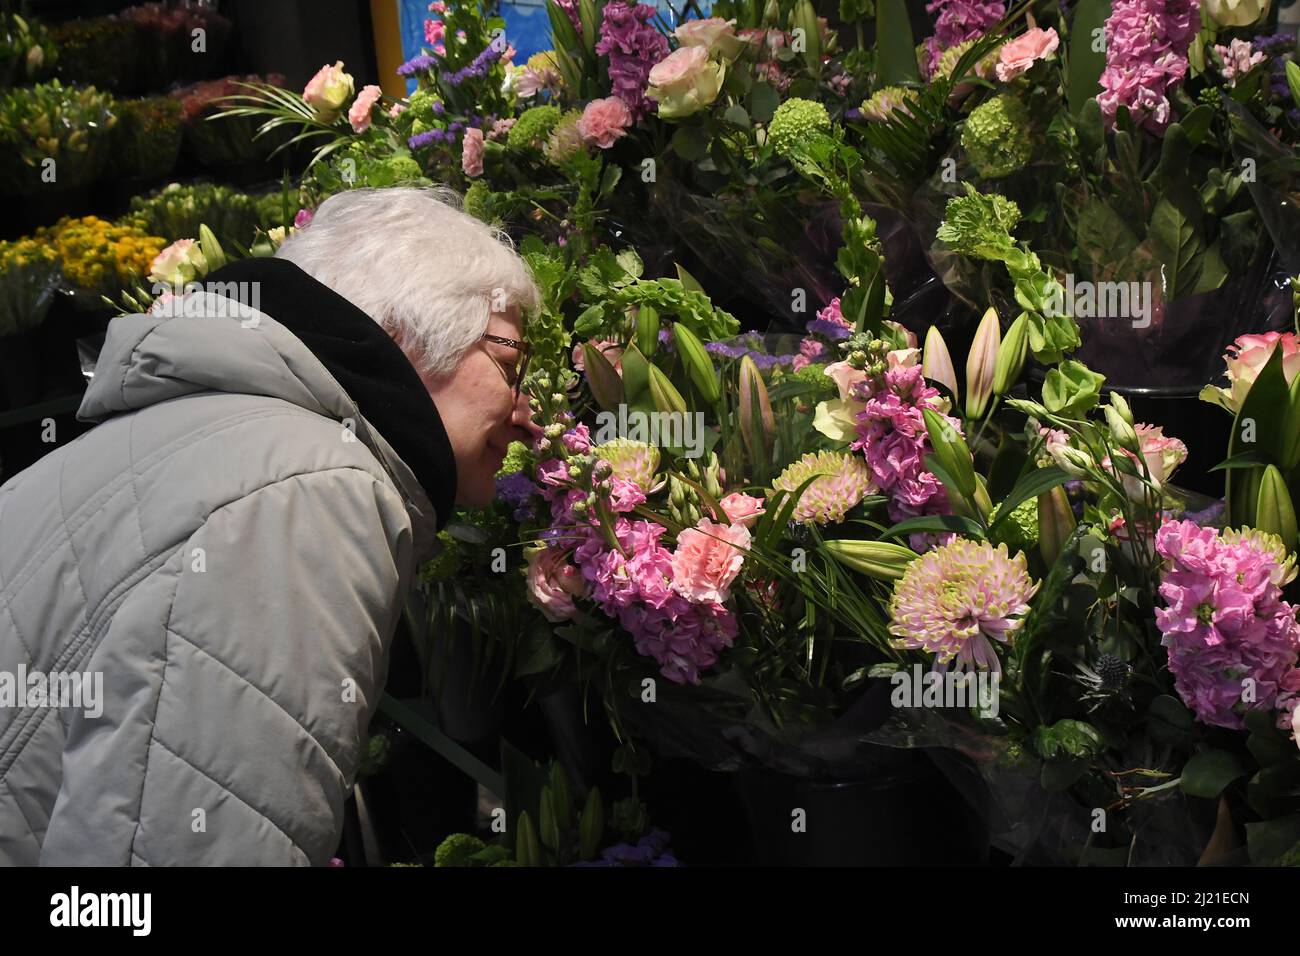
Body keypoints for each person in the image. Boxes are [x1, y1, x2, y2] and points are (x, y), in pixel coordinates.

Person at [0, 187, 540, 865]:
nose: (525, 413)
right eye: (510, 364)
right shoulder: (313, 491)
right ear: (406, 332)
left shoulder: (217, 434)